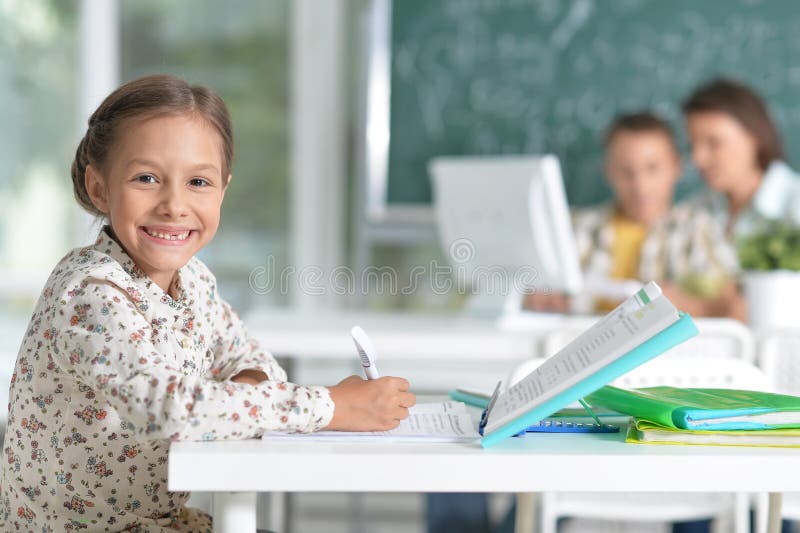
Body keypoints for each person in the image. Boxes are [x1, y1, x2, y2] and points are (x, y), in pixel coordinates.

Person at [0, 74, 415, 532]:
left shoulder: (193, 280)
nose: (174, 205)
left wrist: (239, 391)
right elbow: (172, 409)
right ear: (99, 188)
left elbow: (249, 355)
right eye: (147, 178)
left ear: (223, 190)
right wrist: (331, 407)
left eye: (198, 181)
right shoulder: (90, 294)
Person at [524, 111, 739, 317]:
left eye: (652, 168)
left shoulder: (698, 228)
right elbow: (516, 290)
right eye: (626, 171)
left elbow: (730, 301)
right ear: (608, 170)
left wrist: (683, 303)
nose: (640, 186)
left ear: (676, 167)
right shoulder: (570, 227)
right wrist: (536, 298)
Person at [683, 78, 800, 235]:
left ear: (754, 136)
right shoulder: (693, 213)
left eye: (714, 143)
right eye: (692, 145)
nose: (697, 159)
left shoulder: (794, 206)